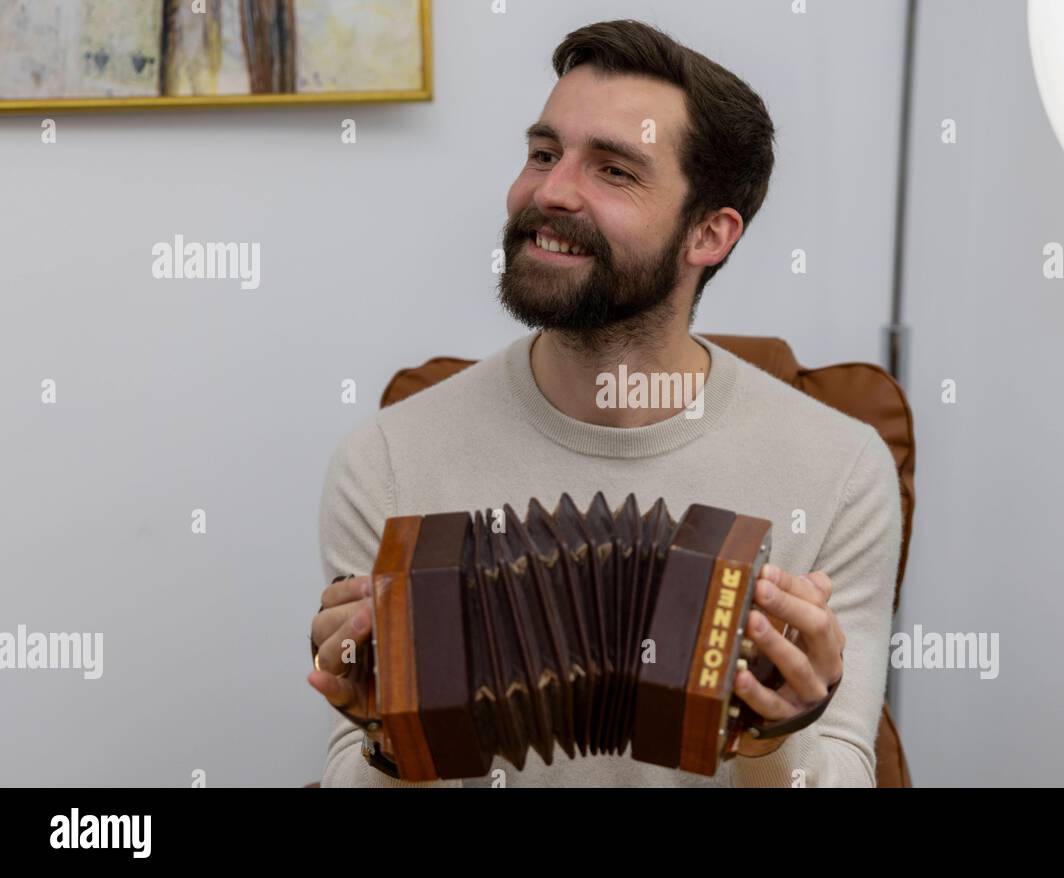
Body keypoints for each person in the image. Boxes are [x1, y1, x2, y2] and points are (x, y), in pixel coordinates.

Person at [307, 18, 902, 787]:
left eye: (614, 171)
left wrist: (776, 738)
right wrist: (382, 741)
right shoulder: (386, 462)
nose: (550, 192)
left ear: (709, 235)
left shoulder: (839, 469)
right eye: (544, 153)